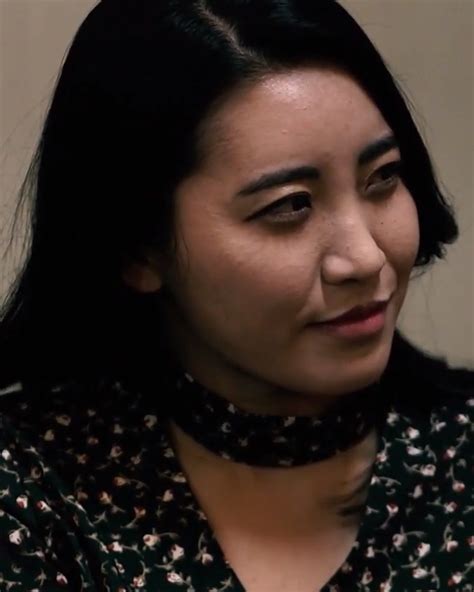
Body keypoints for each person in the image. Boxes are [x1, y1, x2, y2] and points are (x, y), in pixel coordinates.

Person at [0, 0, 472, 590]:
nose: (366, 258)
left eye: (383, 177)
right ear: (139, 250)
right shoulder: (32, 486)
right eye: (290, 206)